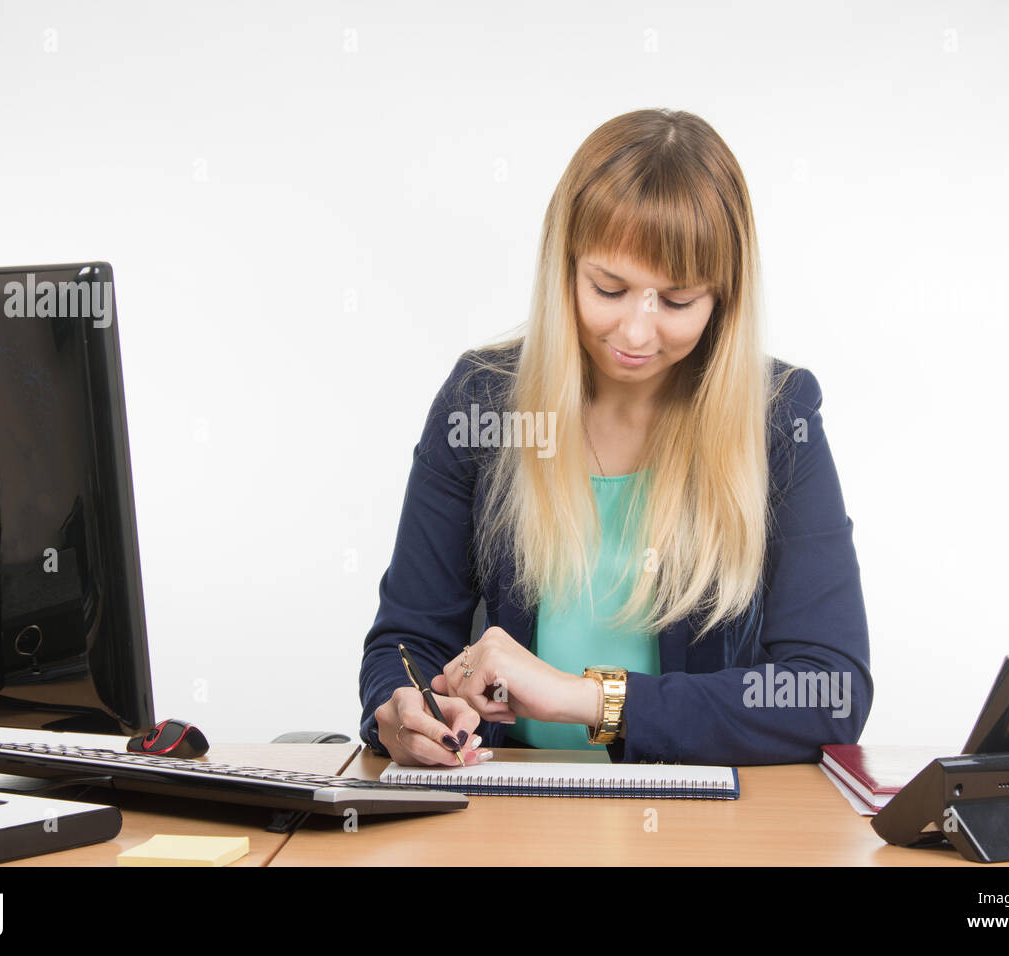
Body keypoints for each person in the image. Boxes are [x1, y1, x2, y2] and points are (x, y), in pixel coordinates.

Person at [358, 108, 871, 767]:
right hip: (503, 813)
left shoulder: (776, 417)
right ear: (564, 268)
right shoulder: (484, 402)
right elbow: (406, 639)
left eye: (678, 301)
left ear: (724, 299)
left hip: (699, 822)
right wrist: (407, 709)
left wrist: (585, 700)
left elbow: (828, 692)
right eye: (609, 287)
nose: (636, 332)